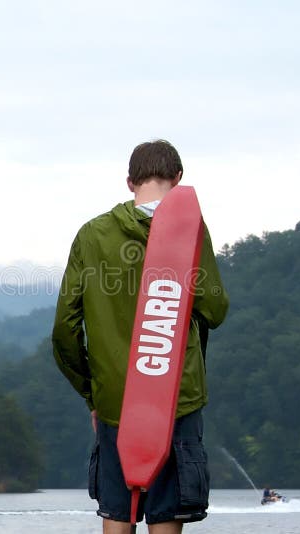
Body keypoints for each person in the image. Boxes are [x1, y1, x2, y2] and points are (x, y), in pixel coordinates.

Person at [52, 140, 229, 534]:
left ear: (130, 182)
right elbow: (214, 311)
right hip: (175, 399)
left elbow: (64, 329)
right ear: (179, 178)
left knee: (117, 511)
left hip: (116, 400)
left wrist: (93, 393)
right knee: (166, 516)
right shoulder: (192, 231)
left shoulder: (92, 235)